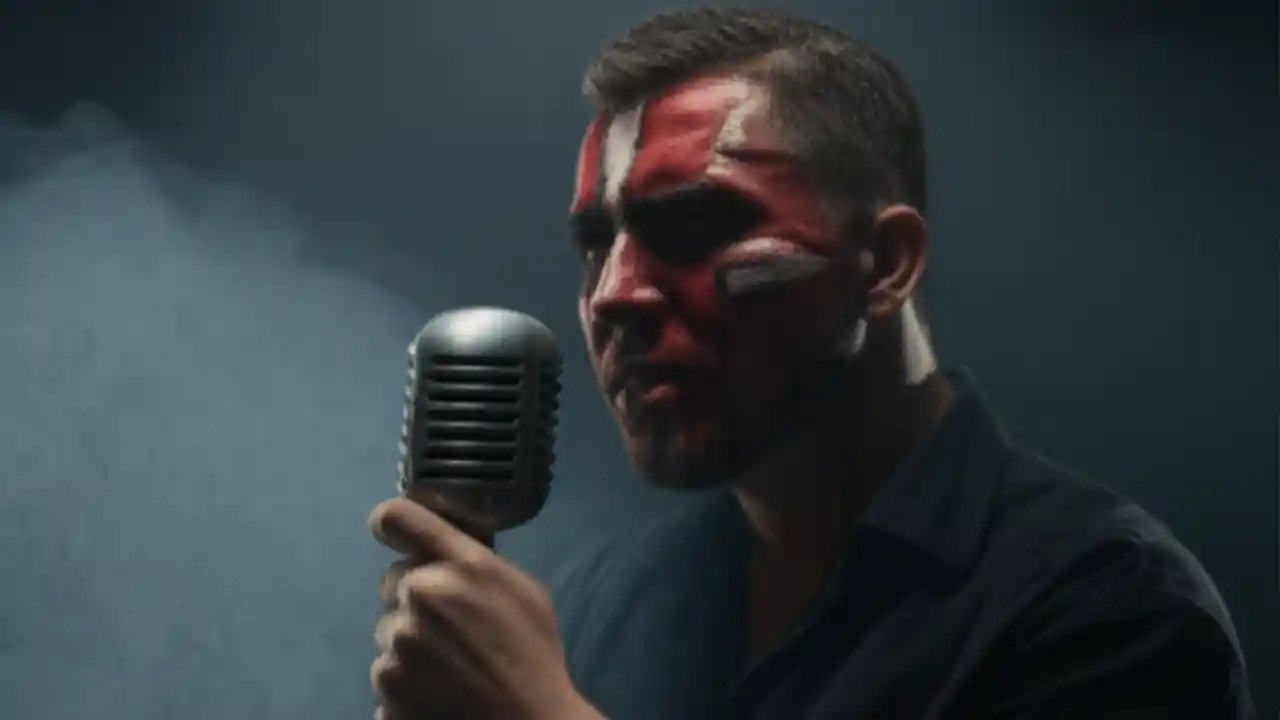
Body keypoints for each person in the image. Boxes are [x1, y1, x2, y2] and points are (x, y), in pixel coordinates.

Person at [366, 7, 1255, 719]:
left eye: (694, 225)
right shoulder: (609, 601)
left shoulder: (1112, 614)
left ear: (886, 265)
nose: (612, 296)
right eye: (597, 246)